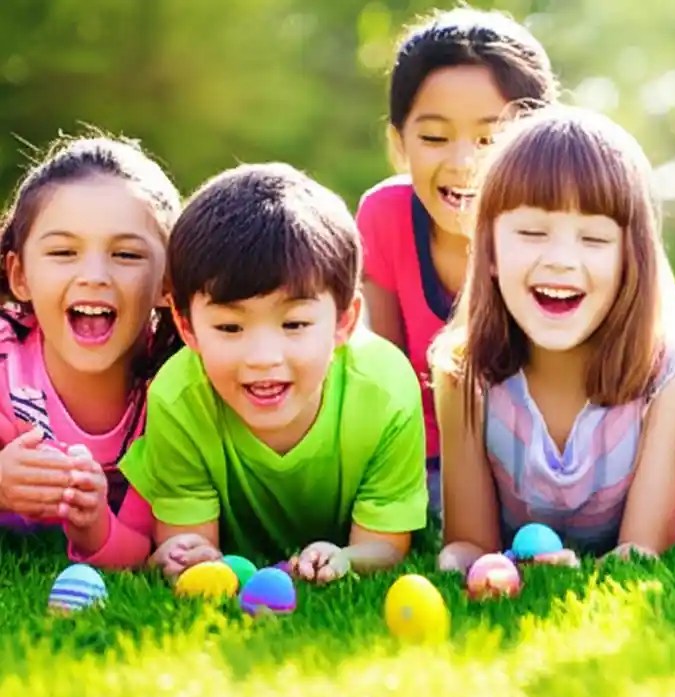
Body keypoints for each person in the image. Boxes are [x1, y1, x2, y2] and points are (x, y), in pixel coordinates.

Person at [120, 163, 428, 584]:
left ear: (344, 320)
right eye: (230, 328)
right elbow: (189, 545)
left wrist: (348, 557)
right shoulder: (178, 398)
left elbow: (387, 545)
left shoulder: (386, 391)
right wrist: (187, 557)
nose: (264, 358)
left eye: (295, 324)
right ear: (186, 324)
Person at [430, 107, 675, 572]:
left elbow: (641, 553)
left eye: (593, 239)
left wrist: (571, 570)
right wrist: (468, 566)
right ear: (490, 249)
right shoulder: (462, 372)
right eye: (532, 233)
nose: (560, 260)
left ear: (629, 259)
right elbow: (469, 545)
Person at [358, 8, 559, 518]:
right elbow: (386, 381)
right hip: (424, 462)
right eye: (433, 138)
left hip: (543, 465)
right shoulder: (384, 217)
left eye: (491, 138)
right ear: (398, 145)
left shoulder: (560, 235)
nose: (464, 163)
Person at [0, 134, 182, 569]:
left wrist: (94, 525)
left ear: (167, 283)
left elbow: (143, 549)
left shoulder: (175, 394)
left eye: (126, 254)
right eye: (64, 252)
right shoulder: (5, 367)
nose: (94, 276)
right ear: (20, 275)